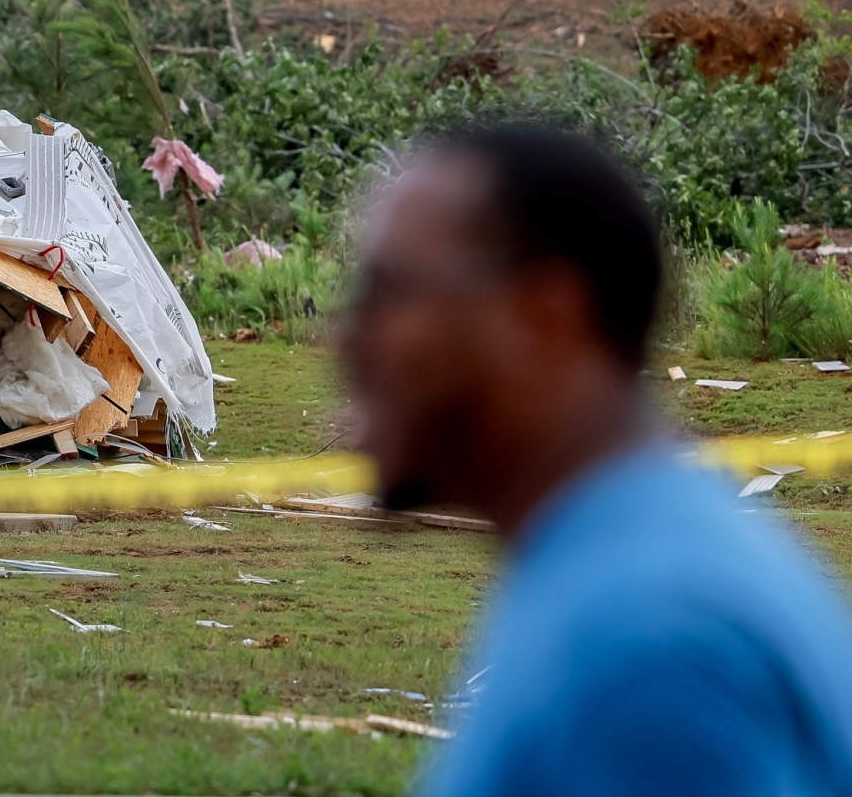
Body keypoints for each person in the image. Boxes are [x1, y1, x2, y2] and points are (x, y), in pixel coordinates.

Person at [338, 125, 852, 797]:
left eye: (389, 291)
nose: (349, 336)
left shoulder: (646, 647)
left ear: (545, 318)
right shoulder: (632, 558)